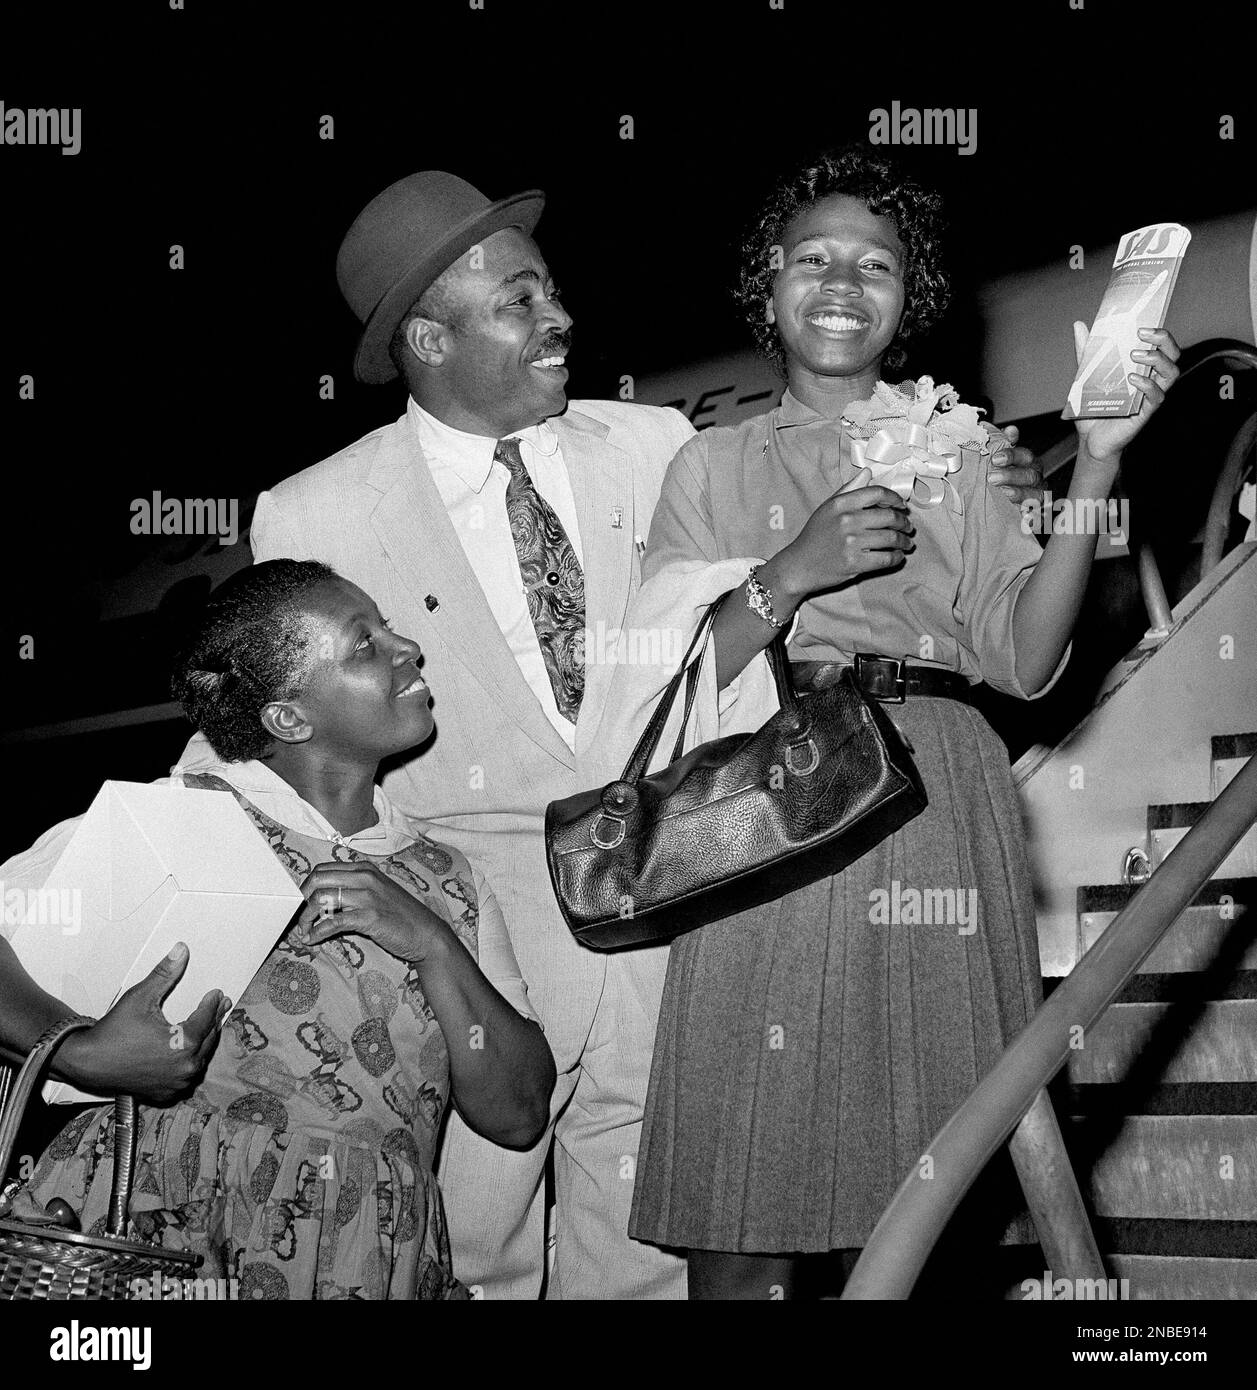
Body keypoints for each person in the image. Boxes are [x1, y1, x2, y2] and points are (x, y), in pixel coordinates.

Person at [200, 170, 1047, 1299]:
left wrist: (994, 477)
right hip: (474, 951)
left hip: (672, 902)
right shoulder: (313, 513)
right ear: (427, 336)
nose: (561, 321)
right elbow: (263, 745)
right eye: (520, 301)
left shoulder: (653, 444)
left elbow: (799, 518)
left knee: (652, 1257)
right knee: (461, 1252)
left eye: (551, 289)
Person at [621, 148, 1180, 1298]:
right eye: (812, 259)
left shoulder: (969, 452)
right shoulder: (707, 465)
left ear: (906, 298)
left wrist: (1100, 467)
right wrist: (792, 571)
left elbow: (1027, 663)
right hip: (765, 804)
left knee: (927, 1203)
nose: (841, 282)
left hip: (934, 797)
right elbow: (666, 681)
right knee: (744, 1207)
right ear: (765, 288)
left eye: (874, 264)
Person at [1, 560, 554, 1300]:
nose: (408, 647)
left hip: (363, 1253)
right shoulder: (183, 818)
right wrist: (81, 1051)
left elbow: (517, 1114)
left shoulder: (448, 880)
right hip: (158, 1236)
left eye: (390, 629)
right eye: (364, 644)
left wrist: (432, 943)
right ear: (289, 718)